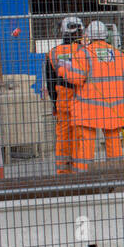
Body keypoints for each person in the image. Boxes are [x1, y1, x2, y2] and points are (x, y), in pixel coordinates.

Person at [58, 21, 124, 171]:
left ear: (88, 36)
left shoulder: (84, 54)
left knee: (86, 145)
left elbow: (77, 78)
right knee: (114, 142)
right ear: (106, 35)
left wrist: (62, 70)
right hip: (113, 109)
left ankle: (83, 177)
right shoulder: (118, 54)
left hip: (89, 111)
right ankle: (115, 175)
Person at [44, 17, 85, 174]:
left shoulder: (53, 53)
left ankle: (62, 172)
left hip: (62, 100)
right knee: (80, 135)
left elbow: (50, 82)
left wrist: (54, 103)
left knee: (62, 136)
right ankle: (79, 170)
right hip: (81, 99)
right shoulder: (84, 51)